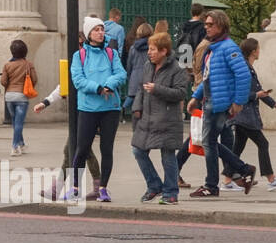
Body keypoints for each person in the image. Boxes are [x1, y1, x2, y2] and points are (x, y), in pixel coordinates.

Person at [186, 10, 258, 198]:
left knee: (208, 143)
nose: (206, 27)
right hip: (210, 100)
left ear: (221, 26)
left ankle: (212, 185)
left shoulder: (229, 48)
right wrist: (195, 96)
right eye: (206, 24)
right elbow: (209, 78)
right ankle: (242, 170)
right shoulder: (214, 48)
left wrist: (238, 102)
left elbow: (243, 76)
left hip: (219, 103)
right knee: (209, 142)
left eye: (211, 25)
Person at [65, 17, 127, 202]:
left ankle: (103, 189)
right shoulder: (79, 56)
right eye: (96, 29)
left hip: (110, 108)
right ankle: (75, 187)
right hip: (88, 108)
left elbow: (121, 73)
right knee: (81, 148)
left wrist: (108, 85)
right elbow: (78, 80)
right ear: (88, 34)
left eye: (102, 29)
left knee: (106, 149)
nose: (101, 32)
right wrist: (98, 88)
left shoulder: (111, 53)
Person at [131, 32, 191, 203]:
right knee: (138, 150)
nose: (149, 52)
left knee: (168, 155)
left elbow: (180, 93)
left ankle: (171, 192)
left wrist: (158, 89)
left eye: (152, 49)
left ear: (164, 51)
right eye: (149, 49)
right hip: (148, 119)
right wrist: (137, 107)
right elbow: (142, 88)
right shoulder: (148, 65)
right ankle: (154, 185)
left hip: (167, 119)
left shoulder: (177, 69)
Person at [229, 38, 276, 191]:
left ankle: (226, 181)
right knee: (263, 144)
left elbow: (258, 90)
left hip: (242, 116)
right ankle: (271, 179)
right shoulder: (245, 69)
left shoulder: (248, 67)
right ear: (253, 51)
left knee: (237, 148)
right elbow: (245, 93)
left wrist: (275, 105)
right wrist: (257, 95)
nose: (259, 51)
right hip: (246, 116)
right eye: (258, 49)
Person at [0, 39, 38, 156]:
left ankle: (21, 143)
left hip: (10, 97)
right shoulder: (28, 64)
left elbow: (3, 81)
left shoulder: (7, 65)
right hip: (22, 97)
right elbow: (35, 79)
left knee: (15, 122)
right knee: (19, 123)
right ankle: (14, 146)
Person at [122, 22, 153, 116]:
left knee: (132, 96)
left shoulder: (133, 48)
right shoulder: (152, 47)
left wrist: (130, 75)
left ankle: (123, 108)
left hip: (135, 74)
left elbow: (129, 64)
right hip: (148, 74)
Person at [175, 3, 207, 68]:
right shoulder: (202, 27)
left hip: (182, 56)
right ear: (201, 13)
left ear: (191, 12)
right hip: (195, 57)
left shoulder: (183, 25)